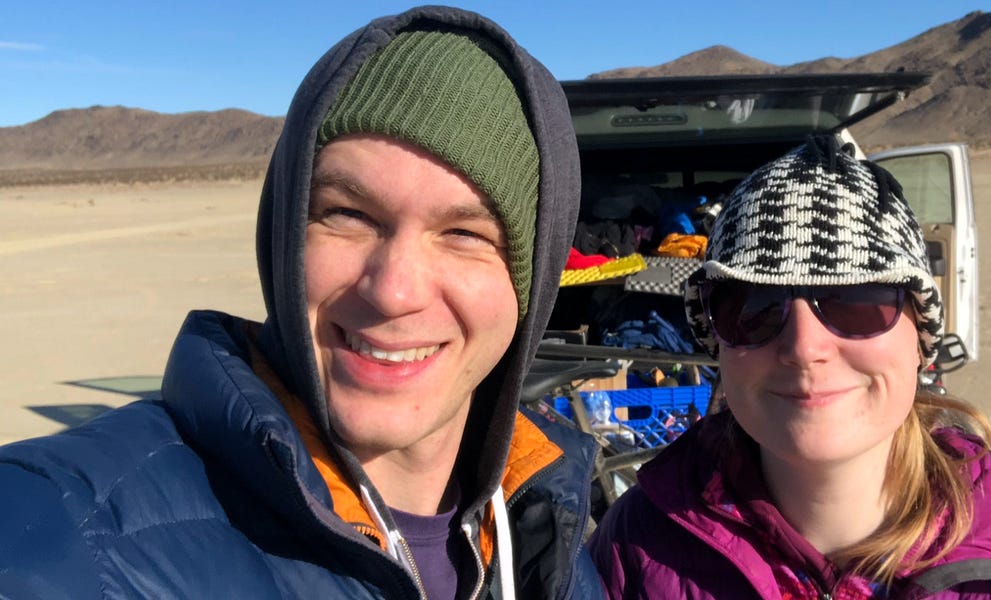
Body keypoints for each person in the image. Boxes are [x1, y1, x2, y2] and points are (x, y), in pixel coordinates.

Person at [0, 6, 603, 599]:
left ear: (532, 283)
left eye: (465, 233)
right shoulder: (65, 533)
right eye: (348, 214)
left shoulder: (549, 538)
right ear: (283, 234)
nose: (394, 290)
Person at [587, 135, 991, 598]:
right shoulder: (636, 548)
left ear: (920, 337)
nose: (805, 347)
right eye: (753, 309)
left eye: (857, 302)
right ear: (717, 342)